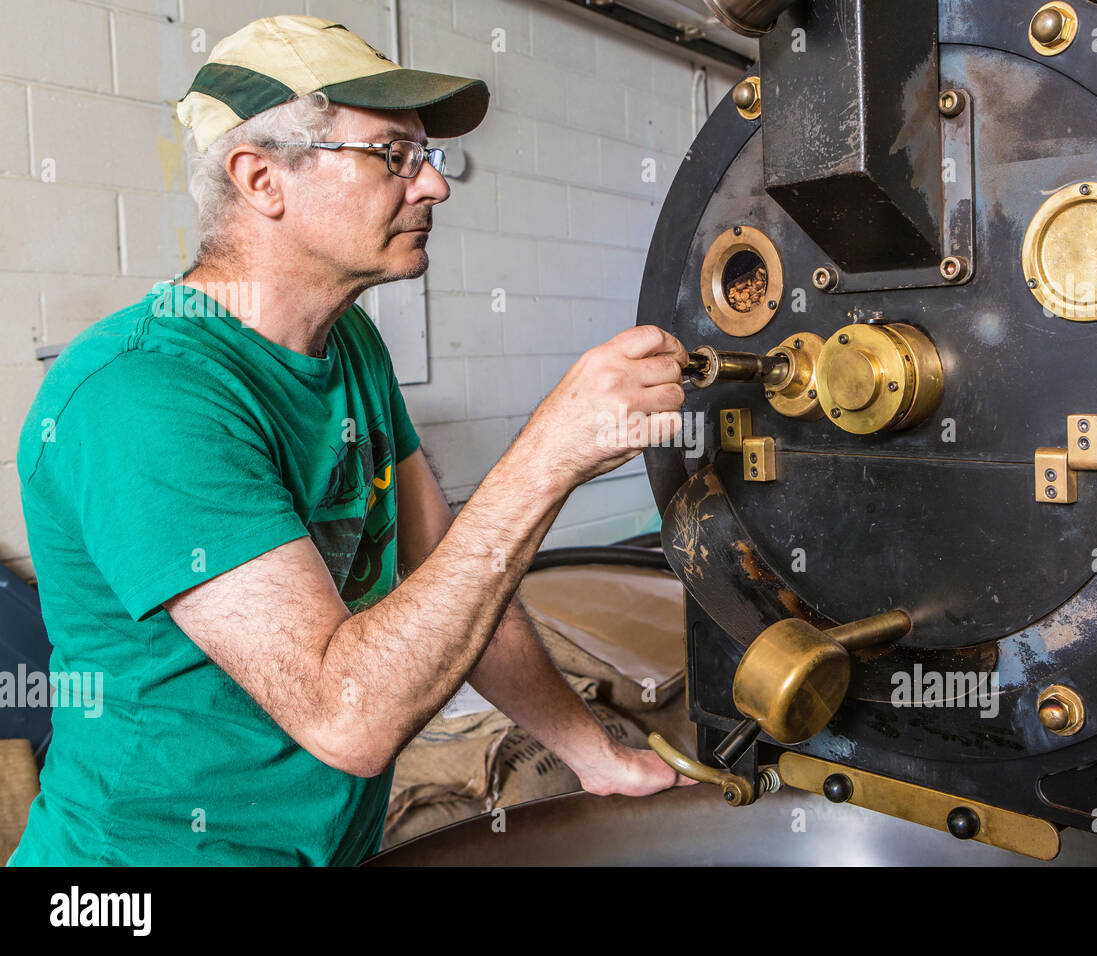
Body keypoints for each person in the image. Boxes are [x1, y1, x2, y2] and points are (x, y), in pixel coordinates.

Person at [9, 15, 691, 866]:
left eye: (426, 157)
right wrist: (550, 452)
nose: (434, 186)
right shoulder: (144, 394)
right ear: (262, 179)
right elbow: (346, 714)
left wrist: (598, 759)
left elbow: (450, 573)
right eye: (394, 157)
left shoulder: (349, 344)